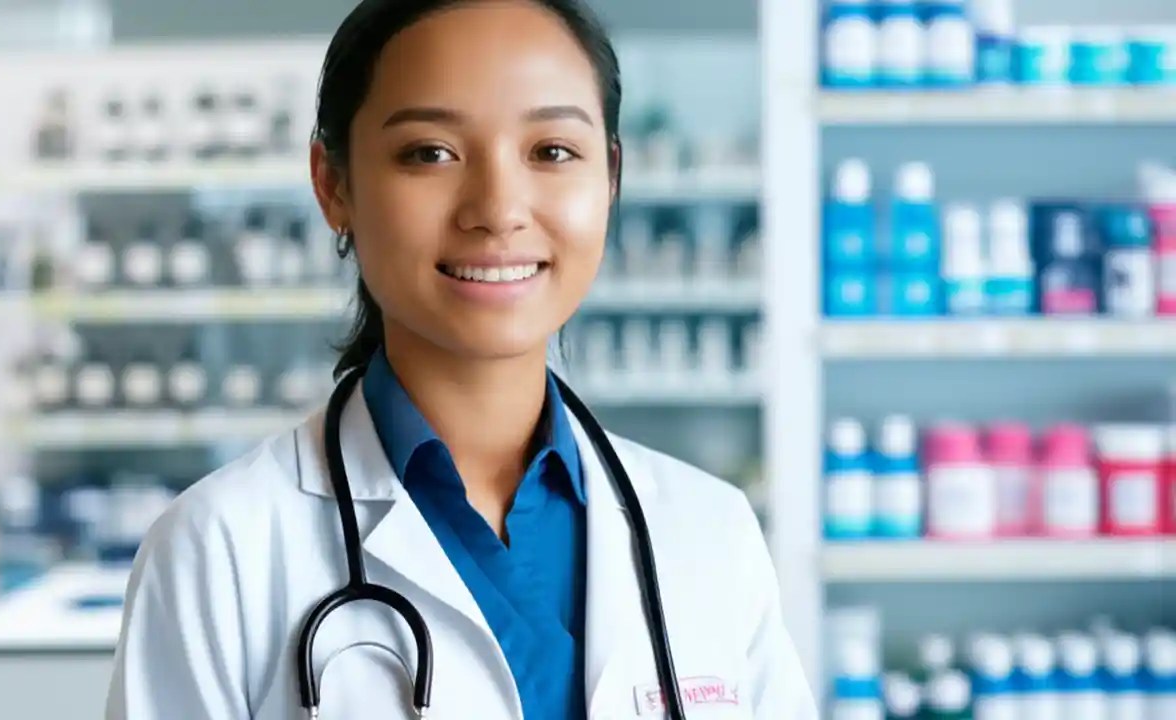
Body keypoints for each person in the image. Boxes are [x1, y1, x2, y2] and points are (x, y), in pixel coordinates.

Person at [105, 1, 817, 718]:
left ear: (610, 178)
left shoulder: (709, 533)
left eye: (552, 152)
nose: (498, 208)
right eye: (430, 153)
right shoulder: (219, 552)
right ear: (333, 184)